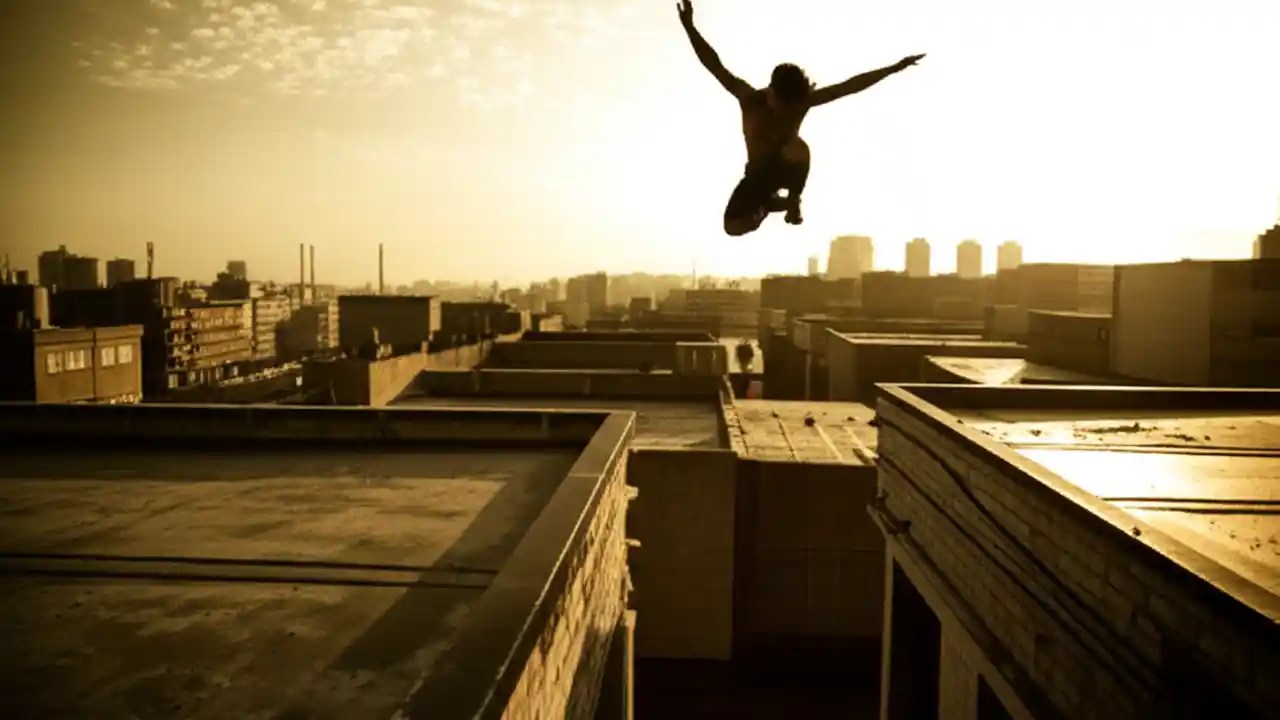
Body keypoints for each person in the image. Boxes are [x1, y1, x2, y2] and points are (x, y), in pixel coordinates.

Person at [676, 0, 925, 236]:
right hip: (757, 177)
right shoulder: (750, 100)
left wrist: (894, 68)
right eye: (779, 104)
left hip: (788, 169)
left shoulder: (799, 103)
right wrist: (690, 27)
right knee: (732, 227)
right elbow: (714, 65)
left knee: (797, 146)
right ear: (771, 91)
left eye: (788, 106)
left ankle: (792, 201)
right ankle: (770, 205)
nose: (783, 110)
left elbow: (849, 86)